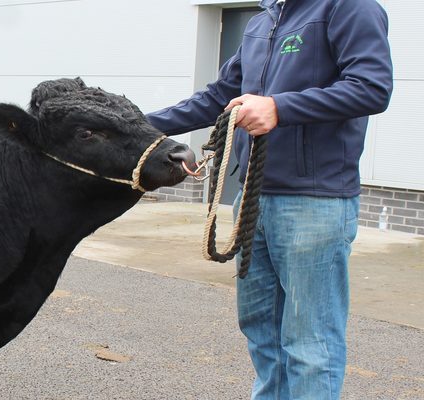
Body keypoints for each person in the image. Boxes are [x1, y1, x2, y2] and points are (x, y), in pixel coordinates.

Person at [143, 0, 392, 398]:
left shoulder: (349, 6)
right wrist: (134, 125)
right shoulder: (264, 20)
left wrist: (280, 106)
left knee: (311, 343)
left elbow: (371, 88)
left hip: (314, 203)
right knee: (262, 334)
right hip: (253, 200)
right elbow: (219, 97)